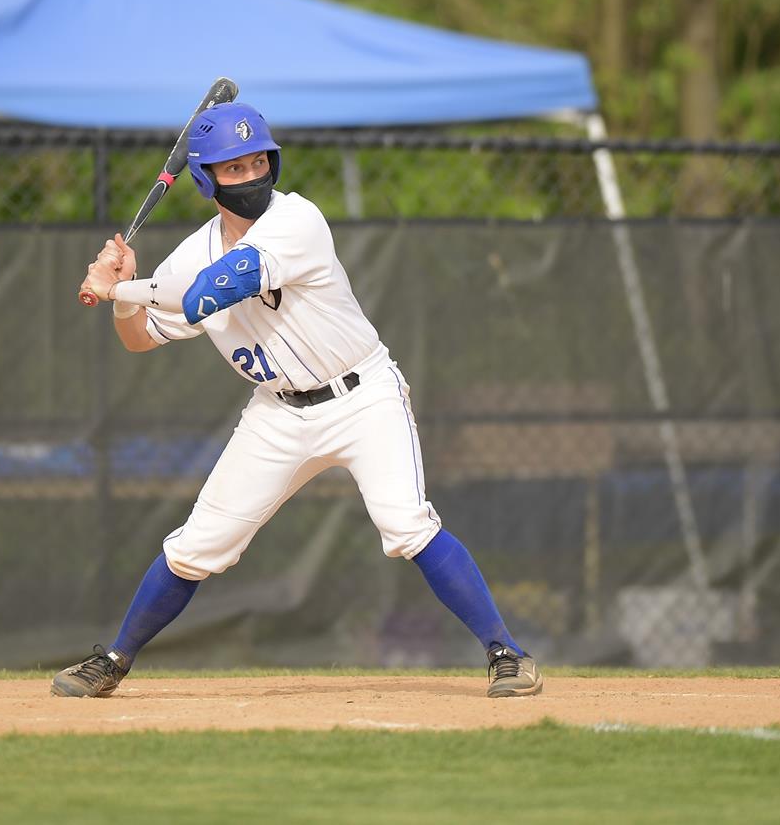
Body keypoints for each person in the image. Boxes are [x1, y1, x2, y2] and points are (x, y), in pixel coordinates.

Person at [58, 101, 540, 699]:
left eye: (259, 161)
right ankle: (113, 659)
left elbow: (211, 292)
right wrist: (125, 298)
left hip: (362, 397)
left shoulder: (298, 220)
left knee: (406, 524)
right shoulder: (190, 254)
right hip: (278, 411)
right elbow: (139, 339)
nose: (252, 176)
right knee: (198, 544)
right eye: (235, 168)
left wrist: (120, 287)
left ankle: (506, 653)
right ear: (206, 179)